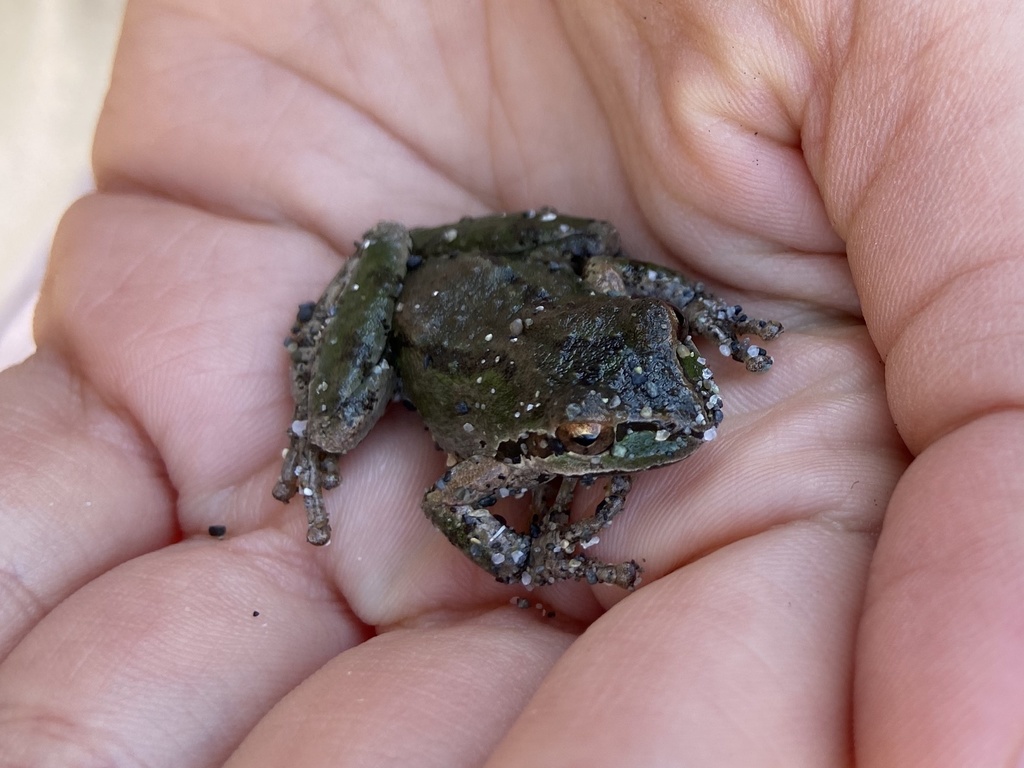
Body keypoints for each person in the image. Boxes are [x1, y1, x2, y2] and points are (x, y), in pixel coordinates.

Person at [1, 1, 1021, 764]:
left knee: (594, 241)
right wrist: (532, 554)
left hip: (497, 285)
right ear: (553, 442)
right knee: (345, 419)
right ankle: (319, 426)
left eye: (667, 349)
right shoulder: (507, 449)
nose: (684, 419)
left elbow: (621, 285)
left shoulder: (630, 328)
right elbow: (451, 498)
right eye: (598, 437)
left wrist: (693, 311)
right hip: (426, 329)